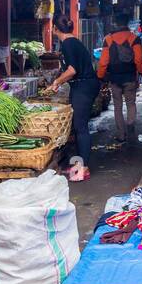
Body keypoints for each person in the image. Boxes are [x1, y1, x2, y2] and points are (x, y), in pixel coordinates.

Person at [44, 14, 99, 182]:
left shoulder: (67, 44)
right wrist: (60, 81)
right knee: (78, 126)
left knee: (81, 127)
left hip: (84, 86)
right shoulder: (73, 42)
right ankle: (79, 164)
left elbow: (72, 70)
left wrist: (57, 81)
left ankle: (83, 168)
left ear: (55, 29)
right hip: (84, 85)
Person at [98, 16, 142, 142]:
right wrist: (140, 71)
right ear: (127, 24)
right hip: (130, 77)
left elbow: (103, 62)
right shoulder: (134, 38)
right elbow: (139, 59)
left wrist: (100, 76)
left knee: (117, 106)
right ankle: (130, 128)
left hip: (114, 78)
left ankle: (121, 134)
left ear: (115, 23)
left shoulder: (108, 39)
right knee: (131, 103)